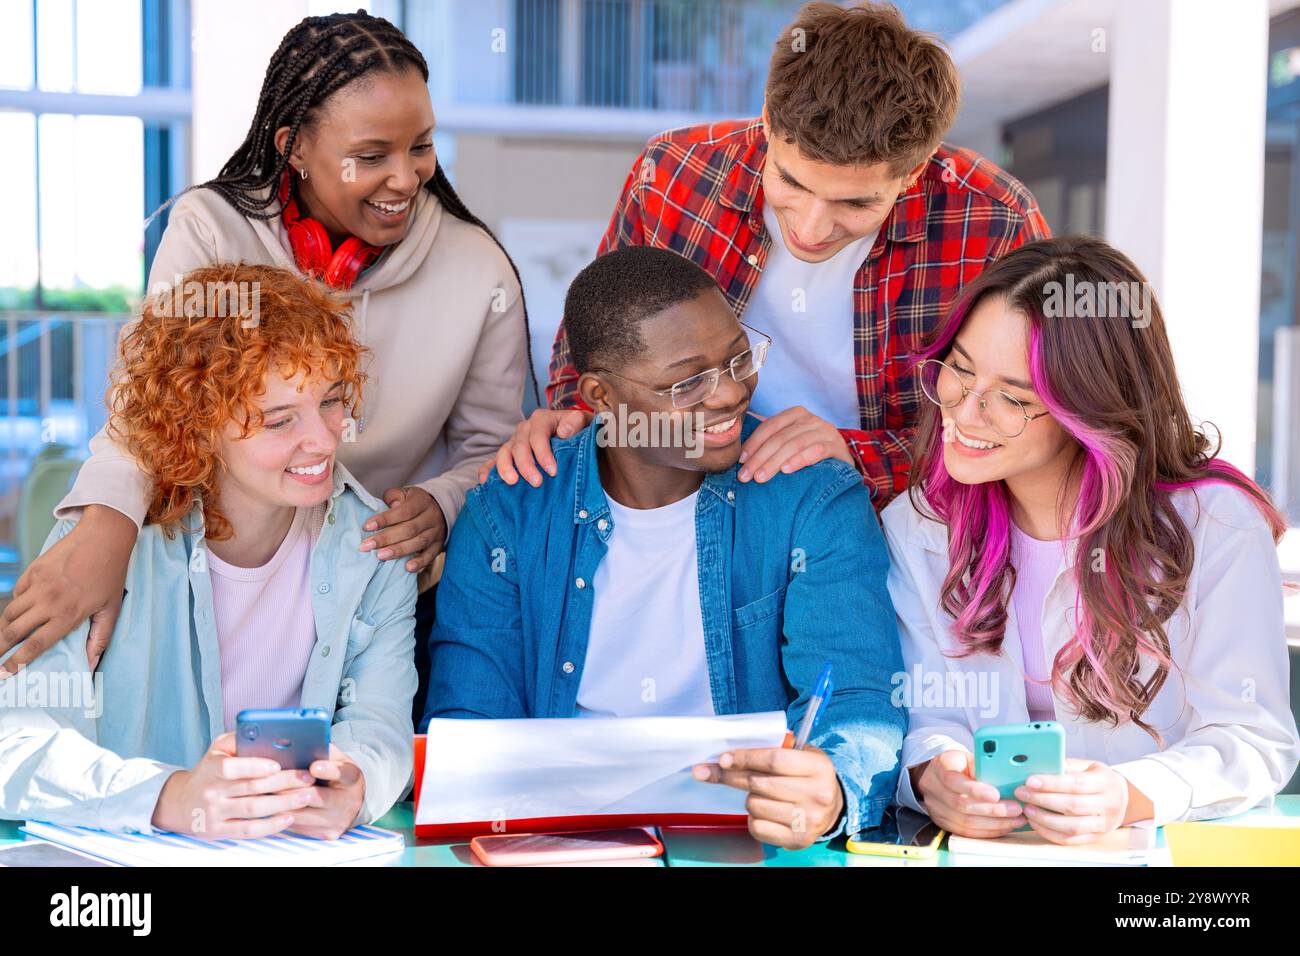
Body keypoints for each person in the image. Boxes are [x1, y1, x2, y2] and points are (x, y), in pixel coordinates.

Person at [1, 12, 528, 722]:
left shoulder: (479, 268)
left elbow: (494, 448)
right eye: (371, 155)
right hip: (221, 556)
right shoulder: (210, 230)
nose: (406, 177)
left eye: (423, 146)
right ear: (295, 147)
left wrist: (443, 502)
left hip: (377, 580)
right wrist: (106, 525)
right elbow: (148, 402)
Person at [424, 247, 905, 849]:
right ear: (599, 396)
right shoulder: (509, 510)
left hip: (745, 834)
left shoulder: (812, 496)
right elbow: (470, 724)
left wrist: (834, 787)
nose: (730, 394)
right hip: (559, 838)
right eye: (688, 382)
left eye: (738, 359)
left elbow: (858, 698)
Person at [484, 0, 1048, 508]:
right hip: (695, 487)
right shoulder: (673, 175)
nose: (810, 227)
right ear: (768, 121)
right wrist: (571, 417)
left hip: (895, 511)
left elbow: (1030, 417)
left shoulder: (995, 220)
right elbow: (595, 338)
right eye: (792, 183)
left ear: (916, 169)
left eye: (854, 203)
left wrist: (860, 454)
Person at [882, 236, 1300, 843]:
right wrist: (932, 774)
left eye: (1012, 399)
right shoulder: (919, 524)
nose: (966, 413)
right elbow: (924, 717)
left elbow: (1254, 739)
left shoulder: (1216, 526)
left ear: (1094, 411)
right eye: (960, 370)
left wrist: (1130, 794)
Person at [0, 264, 417, 839]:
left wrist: (356, 780)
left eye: (332, 400)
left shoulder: (375, 546)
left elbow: (380, 725)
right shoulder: (101, 547)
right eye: (279, 420)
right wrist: (168, 797)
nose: (324, 440)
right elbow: (11, 744)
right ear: (195, 428)